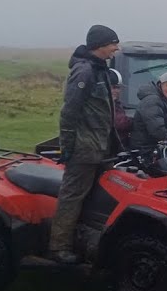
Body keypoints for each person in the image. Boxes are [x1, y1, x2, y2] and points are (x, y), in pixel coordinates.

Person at [49, 24, 121, 264]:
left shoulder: (100, 69)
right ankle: (58, 248)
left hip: (100, 147)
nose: (116, 48)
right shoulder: (84, 72)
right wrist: (66, 146)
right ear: (100, 44)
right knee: (72, 196)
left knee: (98, 195)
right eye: (113, 43)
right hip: (84, 148)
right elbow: (69, 112)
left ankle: (88, 241)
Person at [109, 69, 133, 149]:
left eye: (118, 88)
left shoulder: (117, 104)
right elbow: (118, 122)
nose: (116, 91)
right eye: (113, 87)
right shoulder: (102, 105)